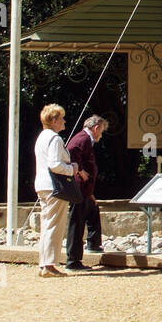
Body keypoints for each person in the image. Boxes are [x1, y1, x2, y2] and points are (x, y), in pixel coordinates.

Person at [33, 103, 77, 278]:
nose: (64, 121)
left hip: (42, 186)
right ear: (53, 120)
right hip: (54, 187)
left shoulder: (41, 137)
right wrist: (72, 168)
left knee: (47, 224)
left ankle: (44, 263)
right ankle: (49, 265)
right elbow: (54, 165)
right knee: (54, 226)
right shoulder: (55, 138)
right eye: (61, 118)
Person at [64, 115, 108, 271]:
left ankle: (93, 244)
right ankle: (73, 261)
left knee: (92, 210)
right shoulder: (82, 138)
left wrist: (90, 192)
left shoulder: (85, 139)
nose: (101, 135)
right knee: (76, 222)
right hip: (79, 188)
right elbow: (69, 152)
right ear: (96, 128)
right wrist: (80, 171)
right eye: (101, 131)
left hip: (84, 189)